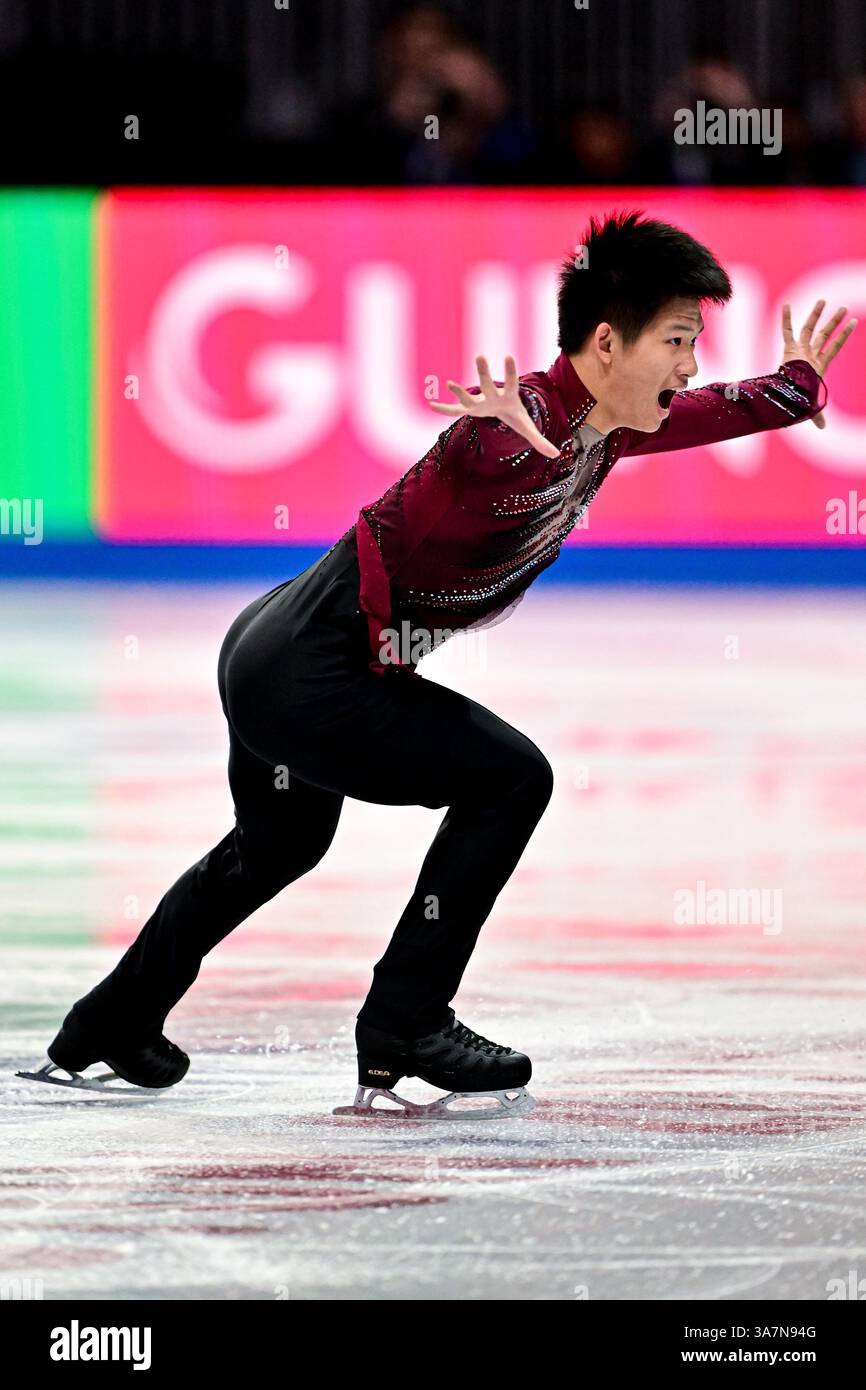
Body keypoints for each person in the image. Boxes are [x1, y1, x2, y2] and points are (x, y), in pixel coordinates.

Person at [21, 211, 856, 1118]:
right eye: (678, 341)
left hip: (275, 650)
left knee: (280, 843)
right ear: (607, 342)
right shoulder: (518, 425)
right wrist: (498, 438)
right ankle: (407, 1021)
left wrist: (798, 383)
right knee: (511, 780)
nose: (691, 364)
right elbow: (474, 453)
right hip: (316, 668)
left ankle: (110, 1020)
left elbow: (732, 407)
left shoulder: (614, 426)